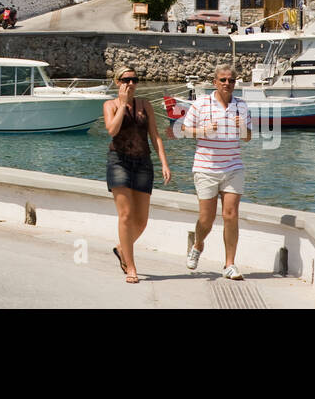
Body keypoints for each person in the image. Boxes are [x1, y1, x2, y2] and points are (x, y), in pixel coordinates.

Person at [169, 63, 251, 280]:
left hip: (233, 167)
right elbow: (182, 130)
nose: (227, 84)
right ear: (215, 82)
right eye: (223, 80)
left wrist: (242, 126)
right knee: (207, 218)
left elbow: (247, 137)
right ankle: (197, 245)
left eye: (231, 80)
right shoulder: (201, 103)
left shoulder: (241, 106)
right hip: (206, 168)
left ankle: (229, 264)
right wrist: (203, 130)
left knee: (231, 215)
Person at [103, 66, 171, 283]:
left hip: (143, 162)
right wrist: (122, 104)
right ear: (117, 82)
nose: (130, 84)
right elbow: (112, 130)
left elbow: (155, 135)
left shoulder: (145, 105)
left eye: (134, 80)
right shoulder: (110, 105)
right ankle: (131, 267)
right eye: (125, 80)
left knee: (141, 221)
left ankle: (122, 248)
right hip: (119, 162)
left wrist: (164, 162)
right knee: (125, 215)